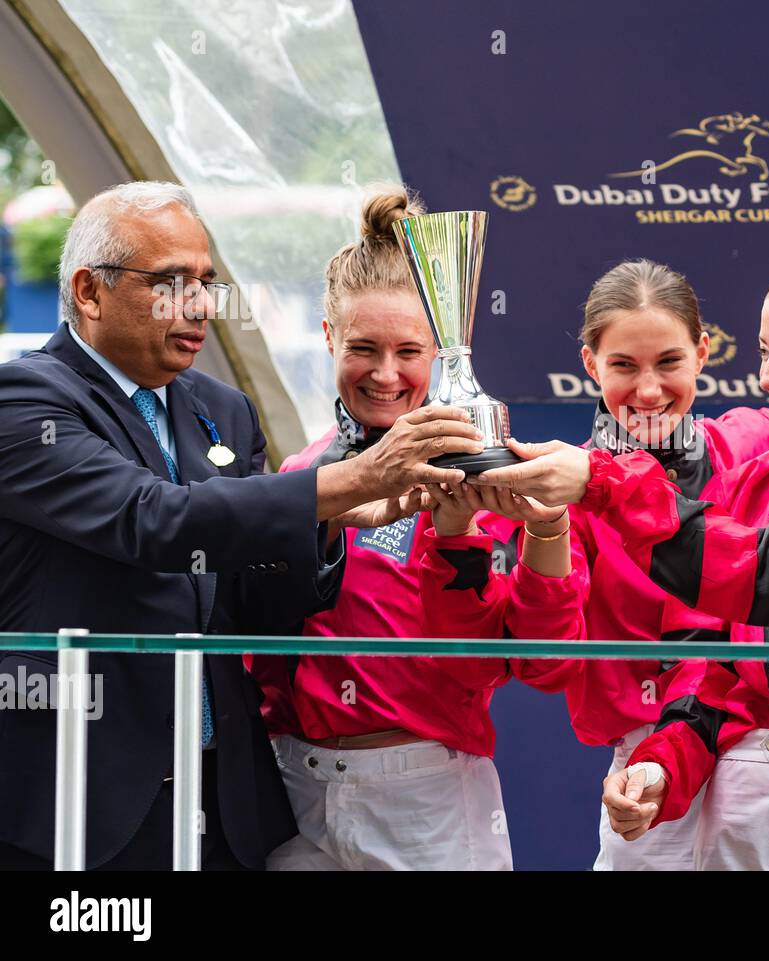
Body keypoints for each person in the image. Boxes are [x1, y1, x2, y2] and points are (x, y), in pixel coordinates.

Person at [0, 181, 477, 870]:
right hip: (78, 800)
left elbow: (252, 601)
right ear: (88, 290)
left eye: (206, 282)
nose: (198, 305)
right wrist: (351, 481)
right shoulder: (25, 400)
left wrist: (329, 523)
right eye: (170, 282)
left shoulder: (224, 410)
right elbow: (152, 521)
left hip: (220, 802)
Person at [421, 257, 769, 870]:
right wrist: (508, 529)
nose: (648, 391)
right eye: (623, 365)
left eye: (668, 362)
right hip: (679, 759)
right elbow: (588, 661)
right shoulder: (585, 485)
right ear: (590, 365)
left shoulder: (760, 445)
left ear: (702, 353)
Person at [246, 185, 514, 871]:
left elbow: (510, 648)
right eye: (364, 347)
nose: (386, 374)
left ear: (446, 350)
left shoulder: (479, 471)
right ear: (330, 336)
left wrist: (467, 530)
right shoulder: (302, 472)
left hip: (427, 797)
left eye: (409, 351)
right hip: (296, 785)